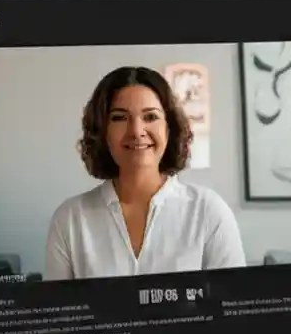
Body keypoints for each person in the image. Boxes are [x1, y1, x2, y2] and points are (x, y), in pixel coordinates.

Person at [45, 66, 245, 280]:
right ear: (102, 131)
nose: (136, 131)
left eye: (150, 116)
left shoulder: (208, 212)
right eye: (120, 118)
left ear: (169, 129)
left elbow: (231, 307)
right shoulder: (70, 219)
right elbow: (60, 312)